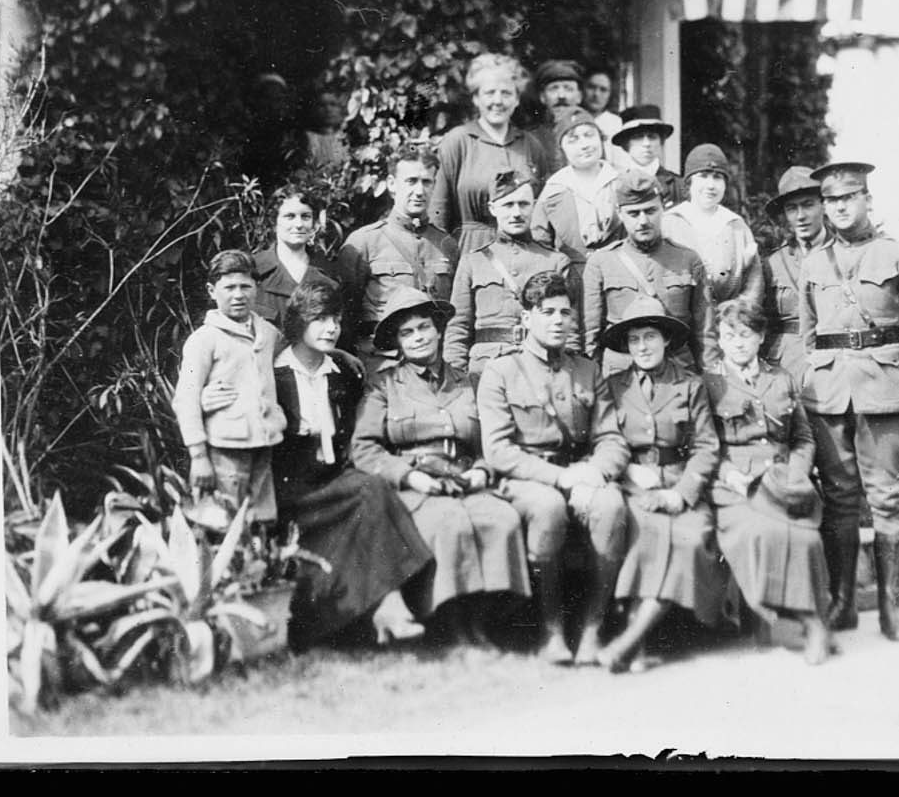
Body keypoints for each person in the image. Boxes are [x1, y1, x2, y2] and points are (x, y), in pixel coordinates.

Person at [799, 160, 899, 642]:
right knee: (840, 502)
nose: (840, 208)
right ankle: (843, 605)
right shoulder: (813, 264)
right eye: (831, 200)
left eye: (849, 198)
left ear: (867, 200)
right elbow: (808, 337)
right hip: (828, 397)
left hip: (885, 400)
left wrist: (895, 375)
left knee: (887, 500)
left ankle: (890, 609)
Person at [352, 288, 532, 645]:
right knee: (450, 526)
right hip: (416, 485)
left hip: (466, 478)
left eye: (423, 328)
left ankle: (482, 621)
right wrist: (410, 476)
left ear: (438, 330)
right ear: (398, 343)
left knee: (501, 520)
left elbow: (490, 440)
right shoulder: (384, 384)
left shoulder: (469, 379)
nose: (418, 338)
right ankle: (452, 625)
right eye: (407, 333)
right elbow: (364, 447)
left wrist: (482, 469)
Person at [476, 270, 631, 665]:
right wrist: (561, 479)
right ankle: (551, 630)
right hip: (527, 478)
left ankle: (594, 628)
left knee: (611, 506)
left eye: (565, 312)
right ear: (527, 318)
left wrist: (594, 475)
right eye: (547, 312)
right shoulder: (501, 372)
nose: (559, 320)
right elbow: (498, 450)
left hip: (582, 472)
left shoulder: (586, 369)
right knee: (548, 508)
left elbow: (610, 438)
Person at [268, 281, 433, 649]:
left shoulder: (344, 371)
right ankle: (387, 608)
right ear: (299, 322)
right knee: (369, 491)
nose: (331, 328)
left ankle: (389, 605)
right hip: (293, 489)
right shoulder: (274, 374)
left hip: (334, 478)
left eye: (336, 320)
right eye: (320, 319)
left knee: (374, 489)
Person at [596, 296, 727, 674]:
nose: (643, 346)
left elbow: (705, 448)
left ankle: (629, 642)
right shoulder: (613, 386)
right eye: (635, 340)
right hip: (634, 484)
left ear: (666, 339)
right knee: (642, 538)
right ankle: (636, 644)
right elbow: (603, 439)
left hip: (679, 483)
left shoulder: (689, 384)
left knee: (690, 540)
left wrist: (681, 493)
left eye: (650, 336)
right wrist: (626, 473)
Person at [705, 297, 834, 665]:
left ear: (761, 337)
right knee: (758, 531)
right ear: (720, 339)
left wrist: (797, 472)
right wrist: (730, 475)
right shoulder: (710, 383)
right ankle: (804, 623)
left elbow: (803, 437)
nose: (739, 343)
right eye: (730, 335)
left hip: (782, 479)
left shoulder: (781, 379)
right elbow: (702, 445)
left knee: (805, 537)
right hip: (733, 485)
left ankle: (813, 623)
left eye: (747, 334)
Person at [171, 249, 286, 525]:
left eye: (245, 286)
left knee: (262, 521)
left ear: (256, 288)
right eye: (229, 287)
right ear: (212, 291)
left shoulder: (268, 334)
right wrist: (198, 456)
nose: (238, 295)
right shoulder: (204, 340)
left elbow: (293, 357)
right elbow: (184, 399)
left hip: (263, 444)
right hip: (224, 451)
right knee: (222, 524)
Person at [334, 145, 460, 376]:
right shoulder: (364, 242)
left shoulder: (446, 245)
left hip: (433, 364)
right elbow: (344, 314)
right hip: (382, 366)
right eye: (411, 181)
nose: (419, 191)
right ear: (392, 184)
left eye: (427, 182)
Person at [582, 169, 718, 376]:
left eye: (650, 211)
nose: (643, 221)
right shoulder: (601, 262)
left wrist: (710, 378)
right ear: (620, 215)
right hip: (621, 377)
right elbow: (590, 335)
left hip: (678, 373)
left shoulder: (688, 260)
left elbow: (704, 332)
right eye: (634, 214)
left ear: (663, 209)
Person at [444, 170, 576, 382]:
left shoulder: (555, 261)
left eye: (523, 204)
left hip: (541, 368)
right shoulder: (473, 262)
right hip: (484, 370)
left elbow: (571, 331)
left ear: (533, 206)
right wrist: (457, 380)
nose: (516, 213)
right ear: (492, 209)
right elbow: (457, 329)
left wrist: (565, 375)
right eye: (508, 205)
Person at [429, 53, 553, 254]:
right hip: (470, 252)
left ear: (516, 99)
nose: (498, 101)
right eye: (489, 93)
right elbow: (438, 212)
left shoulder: (531, 145)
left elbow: (544, 211)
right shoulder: (458, 141)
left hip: (525, 254)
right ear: (476, 99)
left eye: (506, 93)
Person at [662, 143, 764, 306]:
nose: (711, 185)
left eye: (717, 177)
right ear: (689, 182)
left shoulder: (736, 226)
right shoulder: (670, 222)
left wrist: (738, 317)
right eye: (703, 176)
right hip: (682, 320)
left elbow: (754, 281)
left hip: (728, 323)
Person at [530, 109, 624, 280]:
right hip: (572, 280)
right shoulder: (553, 190)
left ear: (601, 139)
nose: (585, 145)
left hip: (619, 276)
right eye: (573, 140)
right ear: (562, 148)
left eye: (589, 135)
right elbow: (539, 245)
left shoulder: (621, 182)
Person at [760, 166, 831, 382]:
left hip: (832, 362)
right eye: (791, 208)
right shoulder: (772, 264)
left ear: (823, 206)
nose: (800, 216)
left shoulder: (844, 254)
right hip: (785, 366)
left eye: (808, 205)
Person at [251, 184, 340, 336]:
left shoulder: (329, 275)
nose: (298, 225)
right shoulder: (254, 269)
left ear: (313, 224)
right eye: (290, 216)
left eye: (305, 217)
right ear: (274, 222)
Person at [612, 105, 685, 209]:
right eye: (638, 137)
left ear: (661, 142)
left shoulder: (678, 186)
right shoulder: (615, 186)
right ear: (626, 144)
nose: (646, 143)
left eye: (652, 137)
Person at [532, 59, 585, 171]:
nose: (561, 96)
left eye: (568, 88)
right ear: (542, 97)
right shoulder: (532, 139)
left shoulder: (590, 136)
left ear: (579, 96)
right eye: (554, 88)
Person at [581, 65, 628, 170]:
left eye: (603, 90)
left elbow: (621, 163)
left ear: (610, 94)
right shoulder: (575, 119)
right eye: (591, 87)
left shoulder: (615, 123)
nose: (596, 94)